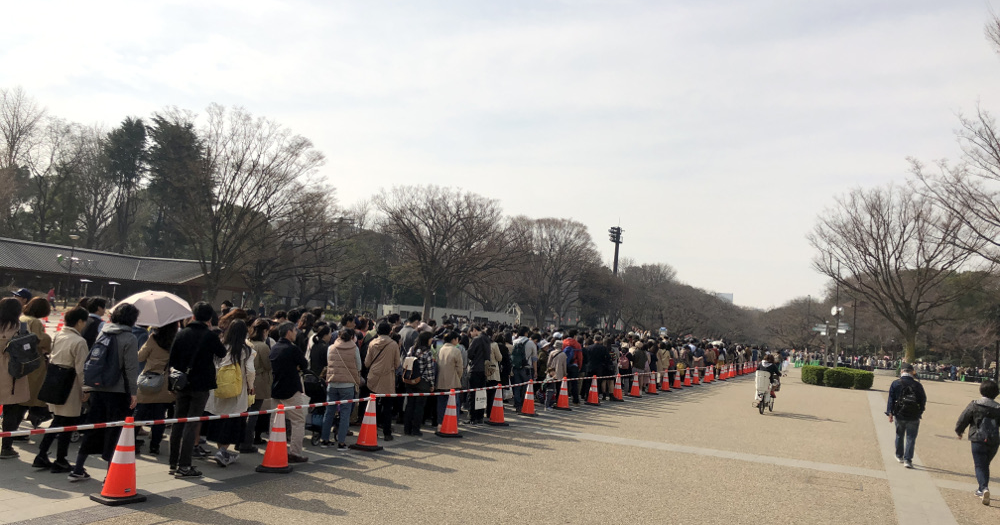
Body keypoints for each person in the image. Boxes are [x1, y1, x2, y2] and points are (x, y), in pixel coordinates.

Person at [69, 303, 141, 482]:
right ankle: (110, 475)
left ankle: (78, 468)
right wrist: (134, 392)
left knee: (93, 427)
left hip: (98, 388)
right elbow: (131, 368)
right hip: (118, 392)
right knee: (115, 432)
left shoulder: (104, 331)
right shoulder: (129, 338)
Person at [168, 302, 228, 478]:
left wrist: (170, 385)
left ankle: (173, 462)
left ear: (193, 316)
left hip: (181, 383)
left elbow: (171, 361)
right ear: (209, 318)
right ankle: (185, 465)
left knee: (178, 421)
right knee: (191, 423)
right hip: (201, 384)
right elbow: (222, 353)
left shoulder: (182, 334)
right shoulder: (209, 336)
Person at [32, 307, 90, 471]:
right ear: (79, 322)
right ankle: (60, 459)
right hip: (70, 384)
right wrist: (85, 389)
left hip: (54, 381)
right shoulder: (79, 341)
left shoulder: (59, 335)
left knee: (57, 421)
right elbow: (81, 368)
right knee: (67, 424)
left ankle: (42, 454)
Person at [205, 320, 255, 467]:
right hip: (237, 391)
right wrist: (251, 386)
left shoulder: (221, 346)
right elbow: (250, 371)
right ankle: (223, 452)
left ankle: (221, 449)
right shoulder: (246, 350)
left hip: (218, 389)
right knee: (232, 420)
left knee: (220, 419)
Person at [134, 322, 179, 456]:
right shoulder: (176, 340)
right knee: (160, 417)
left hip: (148, 381)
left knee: (139, 414)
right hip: (165, 383)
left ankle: (131, 442)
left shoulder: (153, 338)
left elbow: (140, 357)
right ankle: (155, 446)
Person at [269, 321, 310, 462]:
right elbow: (304, 364)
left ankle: (273, 448)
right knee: (298, 421)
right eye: (294, 330)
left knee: (275, 420)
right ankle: (295, 452)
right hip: (291, 389)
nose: (296, 333)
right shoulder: (292, 349)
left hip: (276, 388)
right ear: (289, 332)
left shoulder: (274, 348)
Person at [956, 379, 1000, 505]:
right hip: (993, 440)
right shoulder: (998, 408)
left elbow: (964, 418)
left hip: (978, 438)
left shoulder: (975, 404)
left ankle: (983, 488)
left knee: (980, 465)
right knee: (985, 464)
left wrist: (959, 431)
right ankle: (981, 488)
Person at [321, 328, 361, 449]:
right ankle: (341, 442)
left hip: (332, 383)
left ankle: (325, 439)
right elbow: (359, 366)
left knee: (329, 412)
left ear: (338, 336)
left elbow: (329, 363)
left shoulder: (331, 348)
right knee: (345, 414)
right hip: (347, 385)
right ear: (351, 337)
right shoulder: (354, 348)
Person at [364, 321, 401, 440]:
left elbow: (367, 363)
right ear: (390, 331)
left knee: (372, 406)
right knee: (387, 406)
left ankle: (371, 430)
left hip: (373, 376)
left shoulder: (372, 343)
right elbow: (397, 364)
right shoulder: (393, 344)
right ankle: (387, 432)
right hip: (387, 378)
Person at [20, 297, 53, 428]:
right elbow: (39, 339)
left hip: (21, 362)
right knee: (33, 396)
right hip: (33, 365)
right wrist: (48, 339)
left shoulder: (22, 319)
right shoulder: (35, 322)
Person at [240, 319, 272, 453]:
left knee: (243, 413)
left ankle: (239, 440)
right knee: (253, 414)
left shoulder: (247, 342)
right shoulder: (263, 347)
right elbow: (268, 365)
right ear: (265, 331)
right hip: (258, 381)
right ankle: (247, 443)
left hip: (244, 379)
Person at [886, 363, 927, 469]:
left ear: (902, 371)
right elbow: (923, 400)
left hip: (900, 413)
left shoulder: (896, 383)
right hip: (913, 415)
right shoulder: (917, 385)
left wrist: (890, 413)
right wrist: (920, 412)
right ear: (912, 372)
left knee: (899, 435)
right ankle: (908, 460)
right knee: (911, 438)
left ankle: (899, 455)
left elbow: (891, 399)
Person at [402, 331, 435, 436]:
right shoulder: (427, 352)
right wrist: (432, 384)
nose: (432, 340)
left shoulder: (412, 349)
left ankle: (407, 429)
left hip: (410, 381)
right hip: (422, 382)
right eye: (431, 338)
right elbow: (430, 370)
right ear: (427, 340)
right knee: (419, 407)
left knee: (410, 405)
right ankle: (416, 429)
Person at [435, 331, 464, 425]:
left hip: (440, 381)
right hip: (452, 381)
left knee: (441, 405)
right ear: (454, 340)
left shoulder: (441, 349)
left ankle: (440, 423)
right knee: (453, 404)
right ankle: (452, 424)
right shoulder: (456, 350)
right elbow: (460, 368)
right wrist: (458, 378)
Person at [466, 325, 491, 423]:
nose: (471, 335)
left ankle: (472, 417)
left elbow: (470, 353)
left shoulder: (476, 340)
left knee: (472, 394)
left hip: (475, 368)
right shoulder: (487, 339)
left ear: (475, 330)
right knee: (480, 395)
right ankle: (480, 416)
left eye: (471, 332)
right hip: (483, 370)